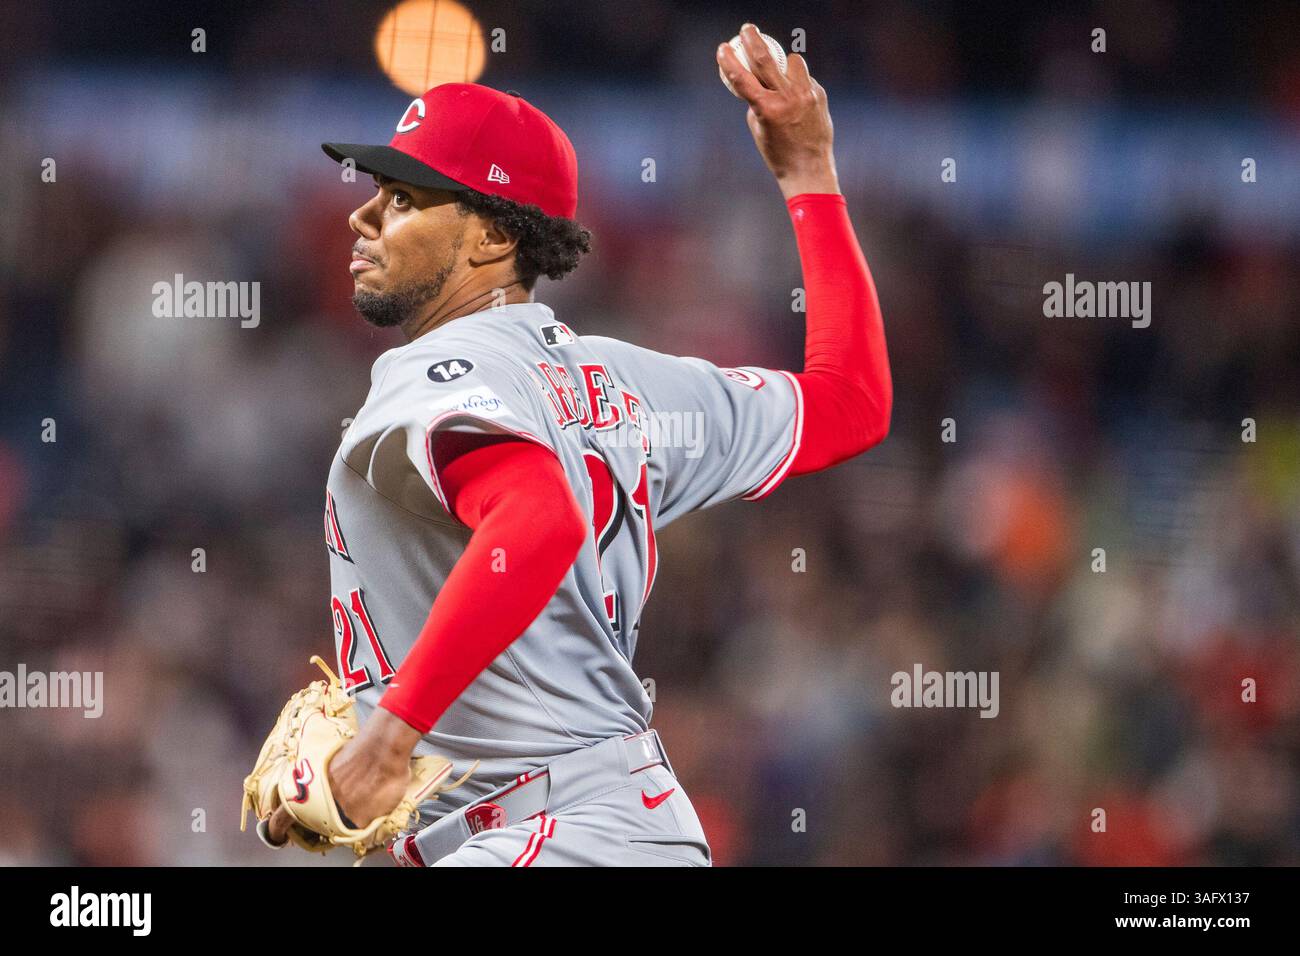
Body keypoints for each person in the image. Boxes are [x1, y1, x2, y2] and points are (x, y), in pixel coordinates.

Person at [260, 24, 891, 866]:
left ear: (492, 237)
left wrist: (387, 740)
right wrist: (810, 176)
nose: (362, 212)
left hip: (548, 834)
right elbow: (850, 403)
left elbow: (539, 518)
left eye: (404, 198)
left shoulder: (439, 371)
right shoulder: (628, 383)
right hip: (620, 822)